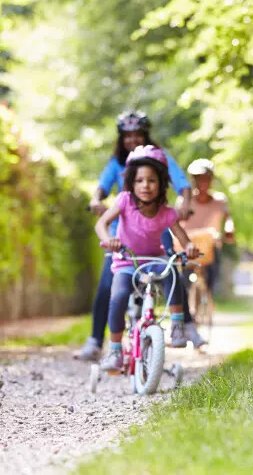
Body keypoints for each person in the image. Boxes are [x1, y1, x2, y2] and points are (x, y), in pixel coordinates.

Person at [75, 110, 204, 361]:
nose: (132, 140)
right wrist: (95, 201)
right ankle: (97, 341)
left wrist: (186, 205)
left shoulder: (161, 160)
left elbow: (183, 186)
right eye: (127, 136)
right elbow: (101, 189)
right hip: (121, 240)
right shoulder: (118, 169)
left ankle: (183, 324)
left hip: (156, 231)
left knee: (172, 268)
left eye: (137, 135)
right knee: (109, 288)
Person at [95, 145, 200, 371]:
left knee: (173, 272)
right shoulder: (124, 201)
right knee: (118, 297)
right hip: (127, 261)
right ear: (132, 183)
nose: (145, 185)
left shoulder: (167, 212)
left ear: (161, 183)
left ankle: (178, 325)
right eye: (140, 180)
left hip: (154, 260)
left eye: (152, 180)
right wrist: (108, 239)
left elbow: (184, 238)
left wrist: (190, 247)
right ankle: (114, 350)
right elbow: (101, 223)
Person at [176, 158, 235, 294]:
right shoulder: (184, 201)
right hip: (188, 246)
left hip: (210, 245)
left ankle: (207, 299)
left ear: (211, 179)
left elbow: (228, 218)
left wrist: (229, 229)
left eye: (206, 178)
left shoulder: (220, 200)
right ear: (193, 180)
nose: (202, 182)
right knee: (183, 284)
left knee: (211, 280)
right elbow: (175, 223)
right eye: (198, 178)